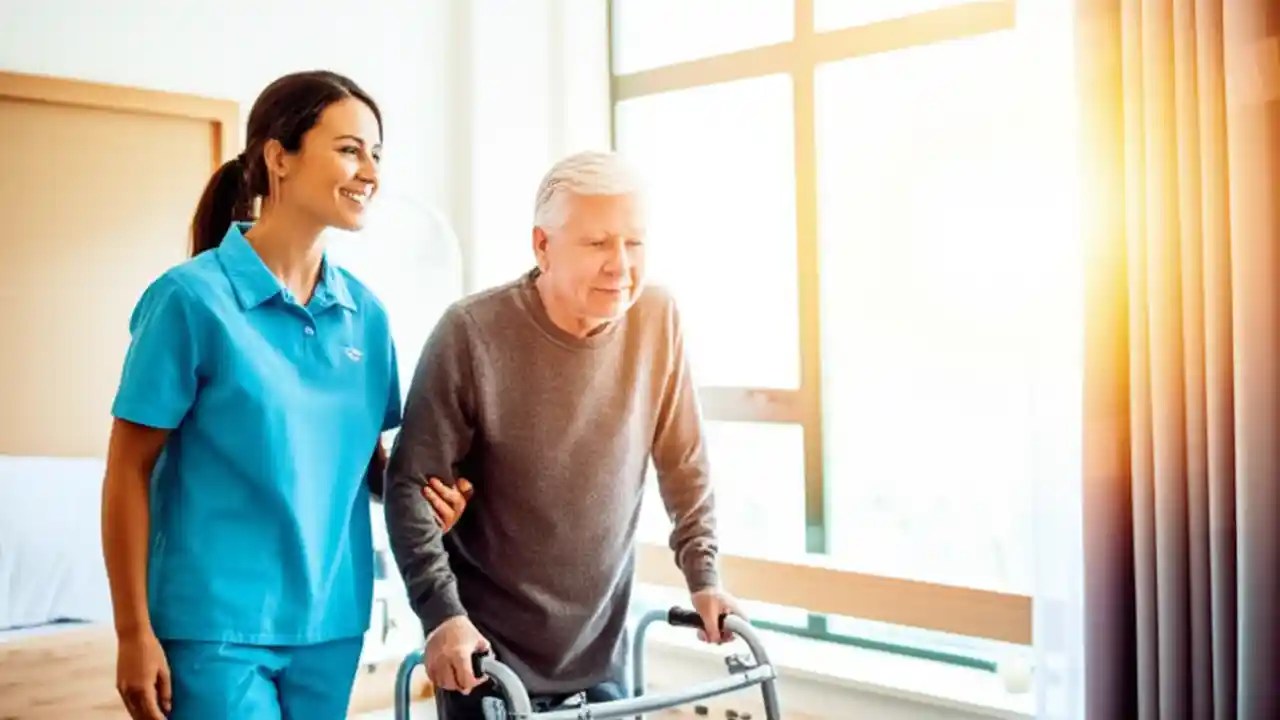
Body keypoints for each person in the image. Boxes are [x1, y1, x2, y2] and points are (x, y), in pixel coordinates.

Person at [100, 70, 469, 720]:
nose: (371, 172)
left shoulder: (366, 316)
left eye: (377, 154)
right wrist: (133, 632)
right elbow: (127, 469)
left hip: (331, 621)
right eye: (350, 148)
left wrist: (422, 497)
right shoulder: (190, 301)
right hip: (215, 626)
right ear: (279, 157)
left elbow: (365, 463)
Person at [384, 150, 742, 718]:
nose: (620, 265)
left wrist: (704, 577)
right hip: (488, 658)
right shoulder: (471, 333)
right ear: (542, 246)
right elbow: (410, 491)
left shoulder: (657, 316)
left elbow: (684, 461)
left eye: (634, 242)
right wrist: (442, 616)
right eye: (598, 243)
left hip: (605, 653)